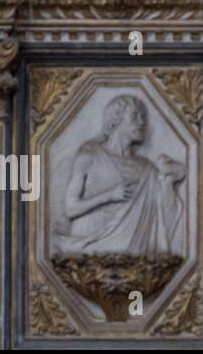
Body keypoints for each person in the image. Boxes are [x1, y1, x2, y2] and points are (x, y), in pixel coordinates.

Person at [53, 96, 186, 256]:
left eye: (143, 116)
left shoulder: (146, 167)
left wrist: (167, 176)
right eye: (135, 115)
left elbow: (166, 209)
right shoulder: (90, 154)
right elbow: (71, 209)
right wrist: (108, 196)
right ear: (116, 120)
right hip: (90, 248)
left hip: (133, 253)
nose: (142, 122)